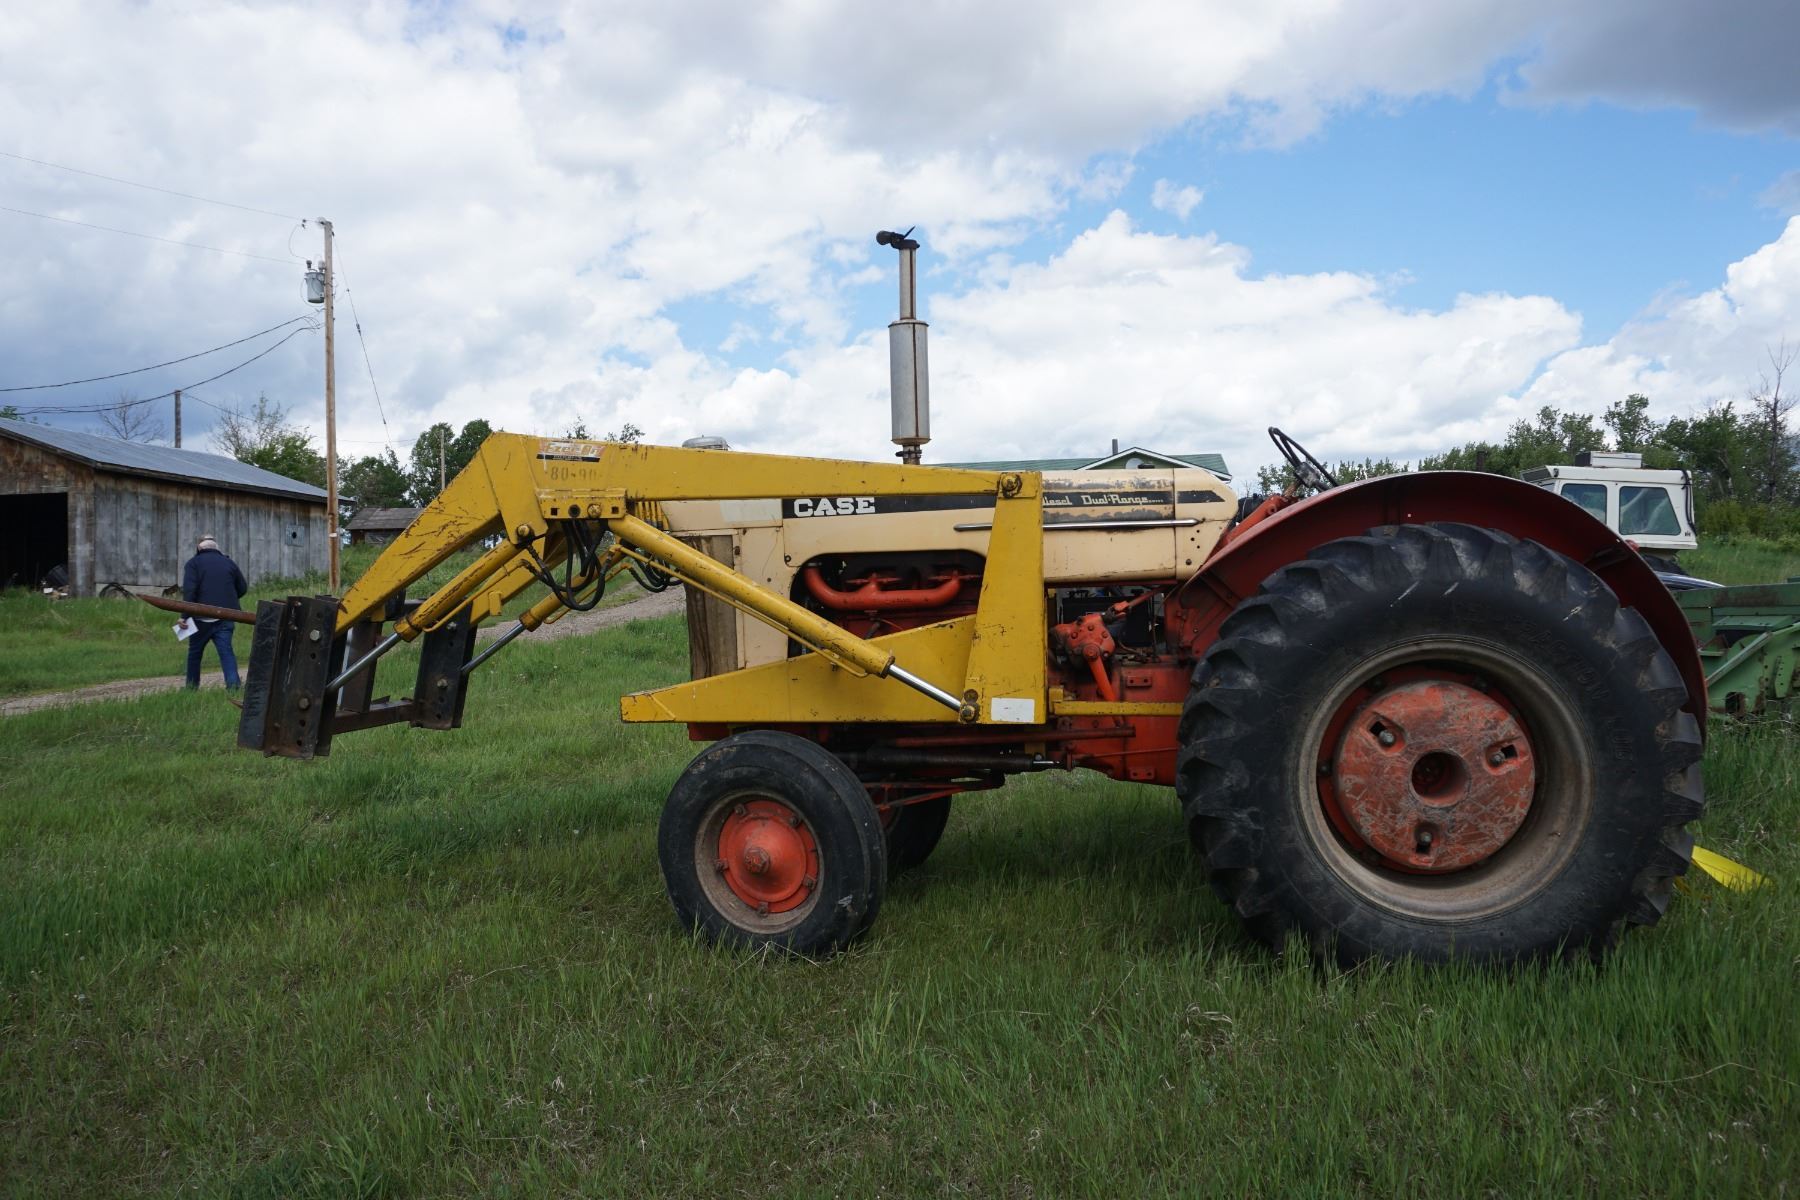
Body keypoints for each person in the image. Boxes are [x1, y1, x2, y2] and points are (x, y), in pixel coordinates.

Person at [180, 534, 248, 690]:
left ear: (199, 548)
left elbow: (190, 591)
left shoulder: (193, 563)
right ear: (217, 548)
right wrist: (228, 599)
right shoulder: (229, 563)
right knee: (226, 653)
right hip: (224, 616)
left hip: (199, 619)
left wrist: (184, 616)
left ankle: (191, 688)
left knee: (194, 654)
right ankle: (233, 687)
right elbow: (242, 588)